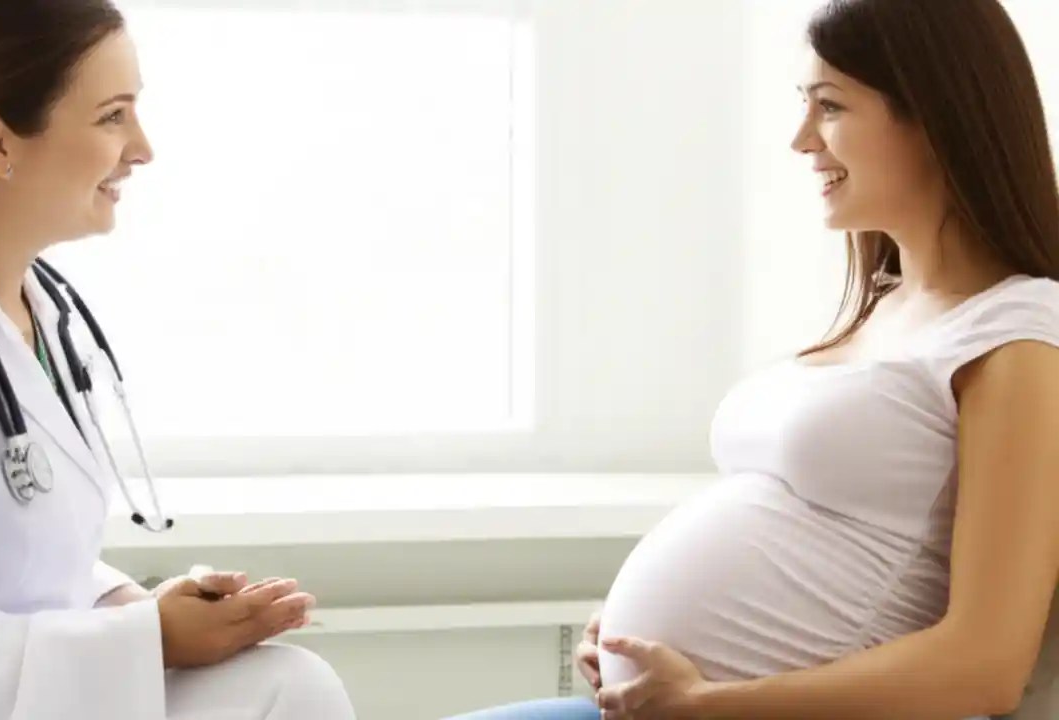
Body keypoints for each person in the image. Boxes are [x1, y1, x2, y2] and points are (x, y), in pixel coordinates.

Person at [449, 0, 1059, 718]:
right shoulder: (884, 307)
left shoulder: (1017, 339)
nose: (803, 140)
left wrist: (714, 699)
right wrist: (624, 634)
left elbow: (986, 663)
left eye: (829, 107)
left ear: (934, 114)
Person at [0, 1, 356, 718]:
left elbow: (18, 567)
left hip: (19, 699)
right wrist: (149, 639)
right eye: (112, 116)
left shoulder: (30, 306)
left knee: (291, 686)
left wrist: (134, 605)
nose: (142, 148)